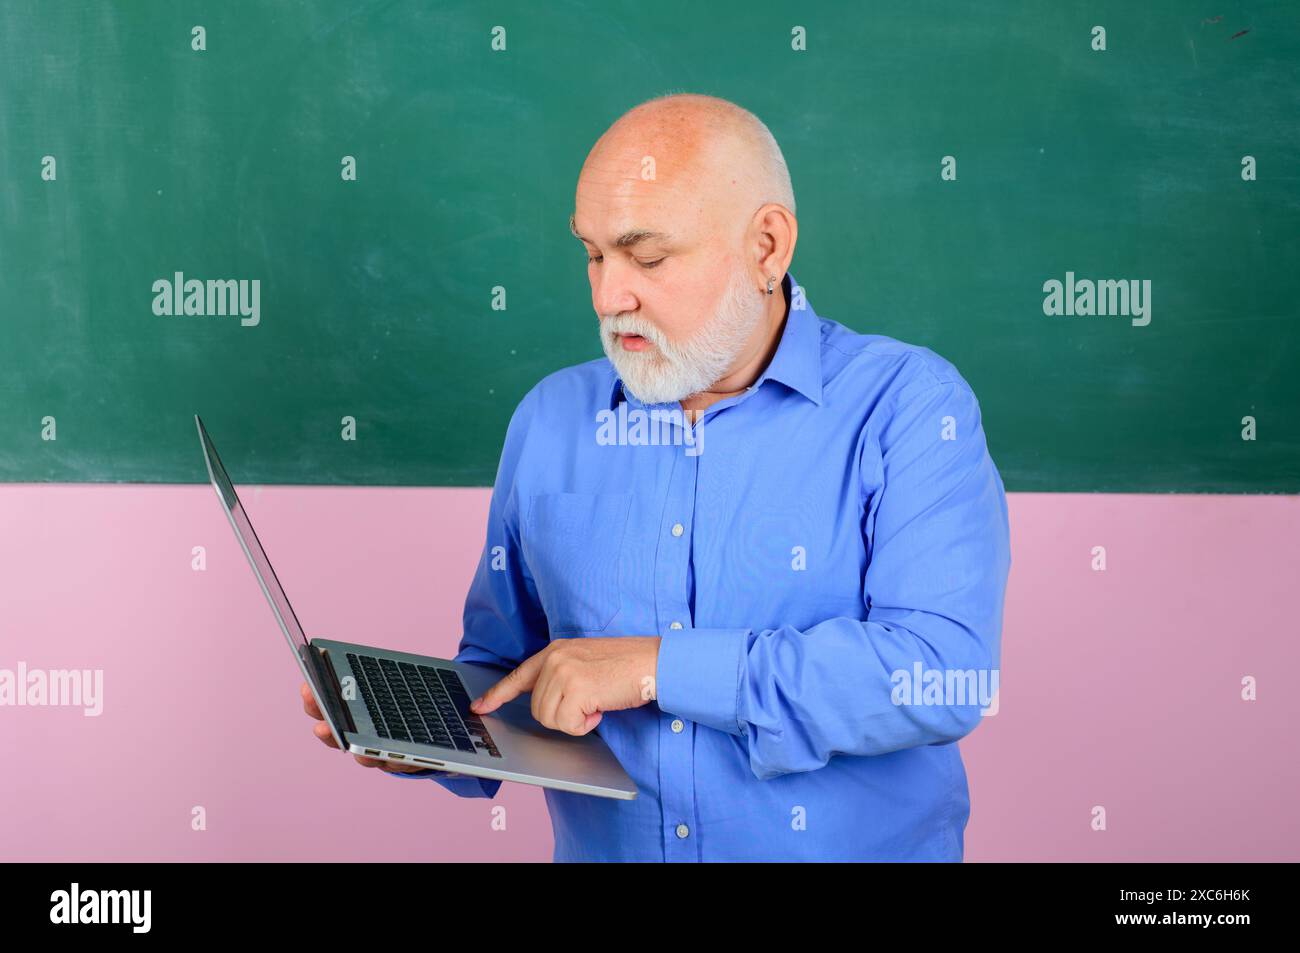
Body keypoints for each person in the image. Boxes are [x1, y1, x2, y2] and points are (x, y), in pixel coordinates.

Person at [305, 92, 1011, 861]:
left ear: (767, 248)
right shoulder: (550, 420)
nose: (611, 296)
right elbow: (512, 668)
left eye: (646, 257)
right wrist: (430, 729)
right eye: (593, 254)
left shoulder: (909, 405)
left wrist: (655, 667)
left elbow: (940, 672)